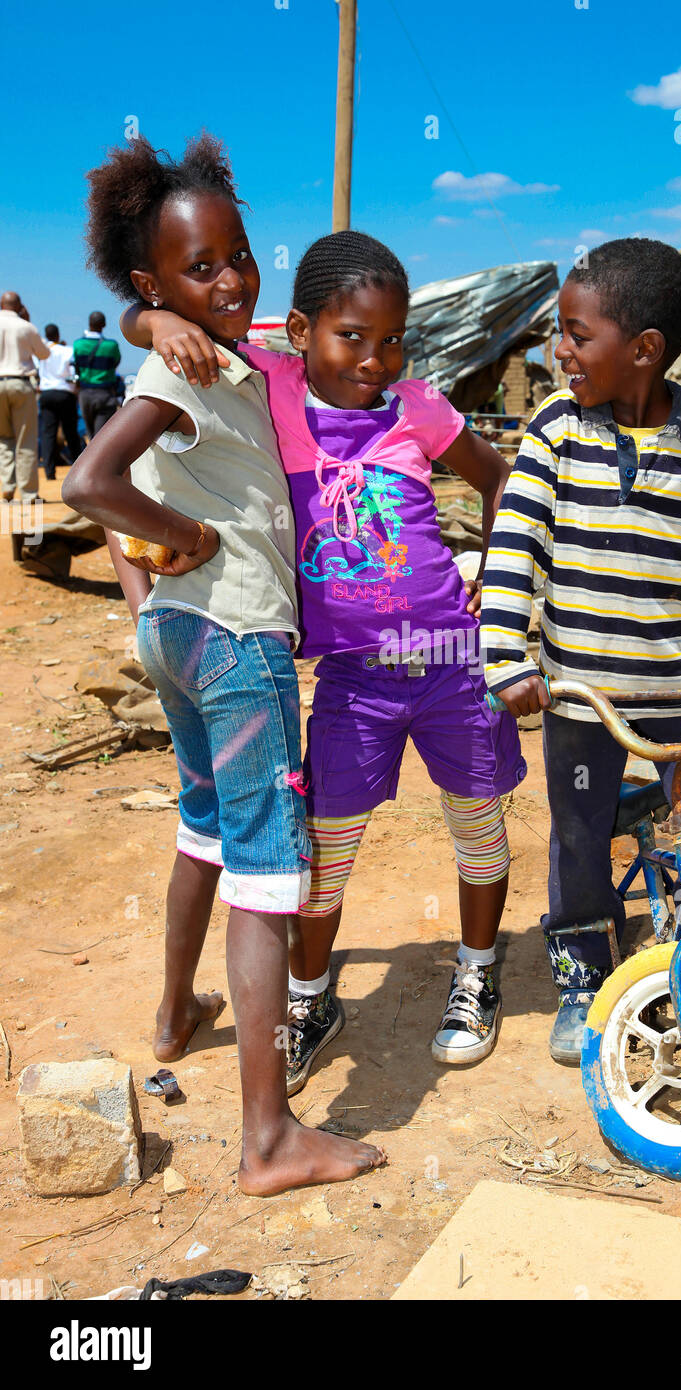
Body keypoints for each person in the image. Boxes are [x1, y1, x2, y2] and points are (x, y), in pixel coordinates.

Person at [123, 229, 524, 1093]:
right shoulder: (274, 386)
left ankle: (478, 970)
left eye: (391, 340)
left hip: (454, 663)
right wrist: (149, 321)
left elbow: (498, 480)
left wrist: (498, 582)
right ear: (300, 331)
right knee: (323, 847)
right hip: (351, 679)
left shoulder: (419, 406)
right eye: (353, 337)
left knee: (477, 827)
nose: (375, 359)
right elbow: (162, 320)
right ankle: (309, 997)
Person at [62, 133, 385, 1194]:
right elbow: (90, 482)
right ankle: (267, 1137)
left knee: (203, 830)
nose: (233, 278)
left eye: (238, 255)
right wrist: (189, 540)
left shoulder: (217, 354)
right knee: (264, 873)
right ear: (156, 282)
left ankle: (171, 1012)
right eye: (202, 269)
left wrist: (156, 311)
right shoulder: (184, 363)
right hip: (235, 637)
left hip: (179, 635)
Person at [480, 238, 681, 1060]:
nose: (560, 349)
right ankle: (582, 976)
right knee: (578, 837)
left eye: (577, 335)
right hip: (583, 698)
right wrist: (508, 658)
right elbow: (516, 546)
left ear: (644, 351)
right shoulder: (556, 430)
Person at [0, 290, 49, 502]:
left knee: (4, 439)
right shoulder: (25, 327)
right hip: (20, 383)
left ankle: (7, 487)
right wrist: (26, 321)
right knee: (25, 439)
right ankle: (28, 493)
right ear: (20, 306)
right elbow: (44, 354)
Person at [38, 324, 83, 479]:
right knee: (70, 432)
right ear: (58, 335)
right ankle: (77, 470)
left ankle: (49, 472)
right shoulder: (68, 350)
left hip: (47, 393)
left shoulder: (42, 351)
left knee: (48, 433)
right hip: (65, 393)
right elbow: (73, 372)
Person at [73, 310, 121, 438]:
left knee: (90, 434)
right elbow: (116, 362)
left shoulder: (78, 344)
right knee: (101, 436)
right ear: (104, 324)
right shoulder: (111, 346)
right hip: (104, 393)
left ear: (89, 323)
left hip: (84, 394)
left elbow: (76, 365)